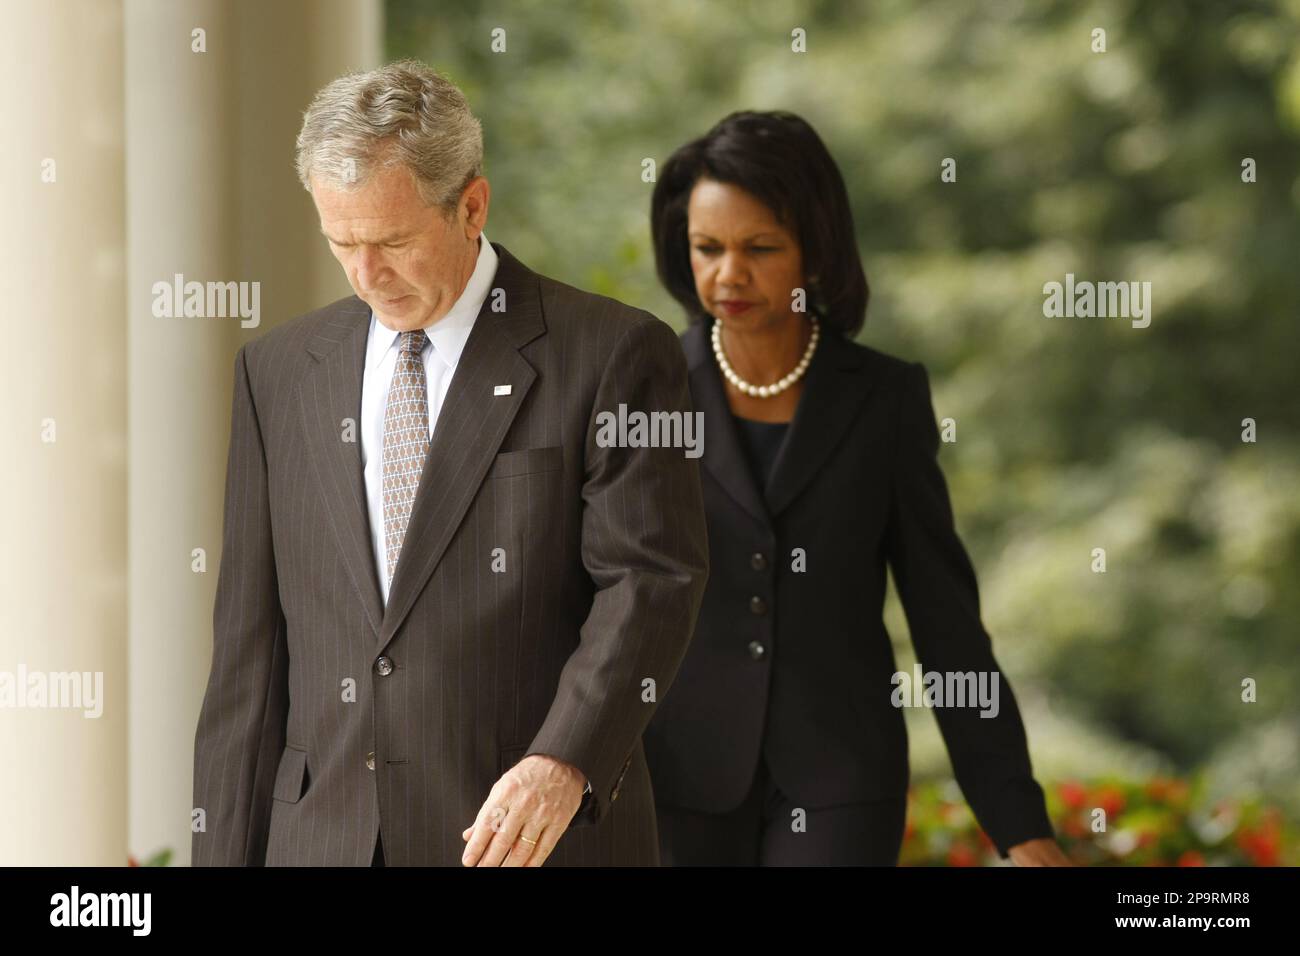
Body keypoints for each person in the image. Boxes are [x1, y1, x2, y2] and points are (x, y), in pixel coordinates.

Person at [191, 60, 708, 867]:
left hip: (527, 839)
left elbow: (651, 585)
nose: (368, 276)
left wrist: (562, 763)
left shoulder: (612, 353)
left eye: (393, 242)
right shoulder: (277, 373)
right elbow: (247, 662)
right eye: (343, 243)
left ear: (472, 205)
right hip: (319, 841)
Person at [642, 110, 1069, 866]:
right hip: (675, 779)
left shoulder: (885, 401)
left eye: (759, 248)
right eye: (707, 248)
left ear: (815, 251)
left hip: (840, 783)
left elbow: (947, 624)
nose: (728, 274)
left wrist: (1018, 824)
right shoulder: (642, 391)